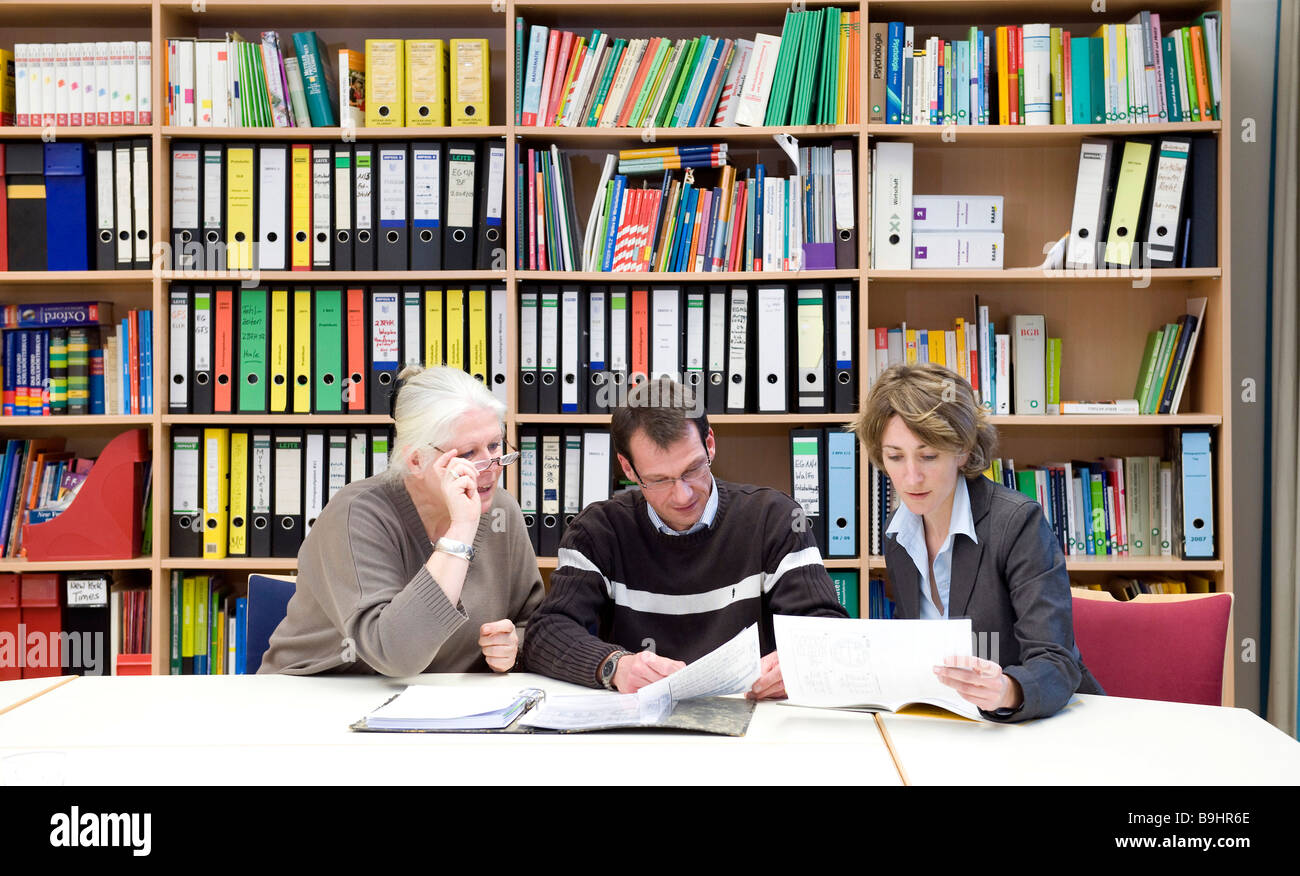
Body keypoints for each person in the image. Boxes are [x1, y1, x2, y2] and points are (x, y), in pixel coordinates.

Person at [521, 377, 848, 698]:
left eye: (692, 469)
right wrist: (614, 667)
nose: (682, 495)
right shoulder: (597, 531)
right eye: (659, 480)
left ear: (710, 444)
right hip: (639, 728)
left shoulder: (774, 519)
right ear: (629, 469)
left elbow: (827, 629)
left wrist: (797, 662)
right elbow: (546, 632)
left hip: (753, 725)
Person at [850, 362, 1103, 721]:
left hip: (1036, 726)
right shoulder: (899, 531)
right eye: (894, 457)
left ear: (963, 452)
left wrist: (1007, 690)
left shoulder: (1017, 523)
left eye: (928, 456)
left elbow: (1058, 663)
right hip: (950, 722)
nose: (911, 476)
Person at [260, 365, 545, 676]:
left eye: (494, 445)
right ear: (416, 460)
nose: (490, 467)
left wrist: (514, 644)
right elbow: (395, 655)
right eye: (467, 454)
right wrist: (461, 529)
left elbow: (535, 623)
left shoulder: (502, 511)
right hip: (317, 698)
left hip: (442, 706)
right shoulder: (356, 515)